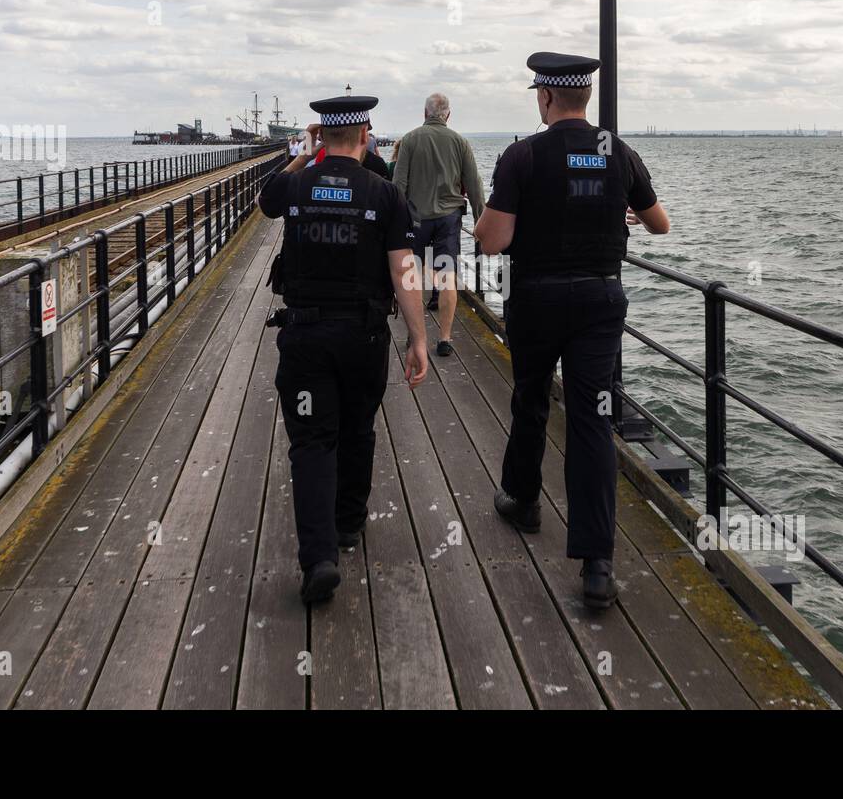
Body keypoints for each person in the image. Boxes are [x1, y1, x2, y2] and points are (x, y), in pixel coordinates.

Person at [473, 52, 670, 609]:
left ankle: (523, 501)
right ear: (585, 98)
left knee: (531, 398)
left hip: (535, 298)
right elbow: (660, 223)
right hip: (600, 300)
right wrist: (619, 214)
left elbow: (492, 240)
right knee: (592, 419)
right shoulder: (618, 151)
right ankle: (598, 565)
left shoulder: (522, 155)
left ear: (544, 97)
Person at [259, 95, 429, 605]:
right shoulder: (383, 193)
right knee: (358, 428)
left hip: (306, 337)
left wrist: (302, 154)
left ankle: (318, 560)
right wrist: (419, 337)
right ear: (364, 135)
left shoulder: (296, 184)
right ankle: (349, 523)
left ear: (322, 137)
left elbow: (266, 201)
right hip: (365, 337)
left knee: (311, 441)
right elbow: (403, 271)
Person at [394, 93, 485, 356]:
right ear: (448, 115)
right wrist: (480, 221)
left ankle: (416, 336)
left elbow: (399, 186)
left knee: (413, 278)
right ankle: (445, 338)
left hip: (416, 219)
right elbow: (476, 185)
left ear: (425, 114)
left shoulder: (410, 140)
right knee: (447, 277)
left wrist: (393, 223)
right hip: (448, 219)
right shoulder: (460, 142)